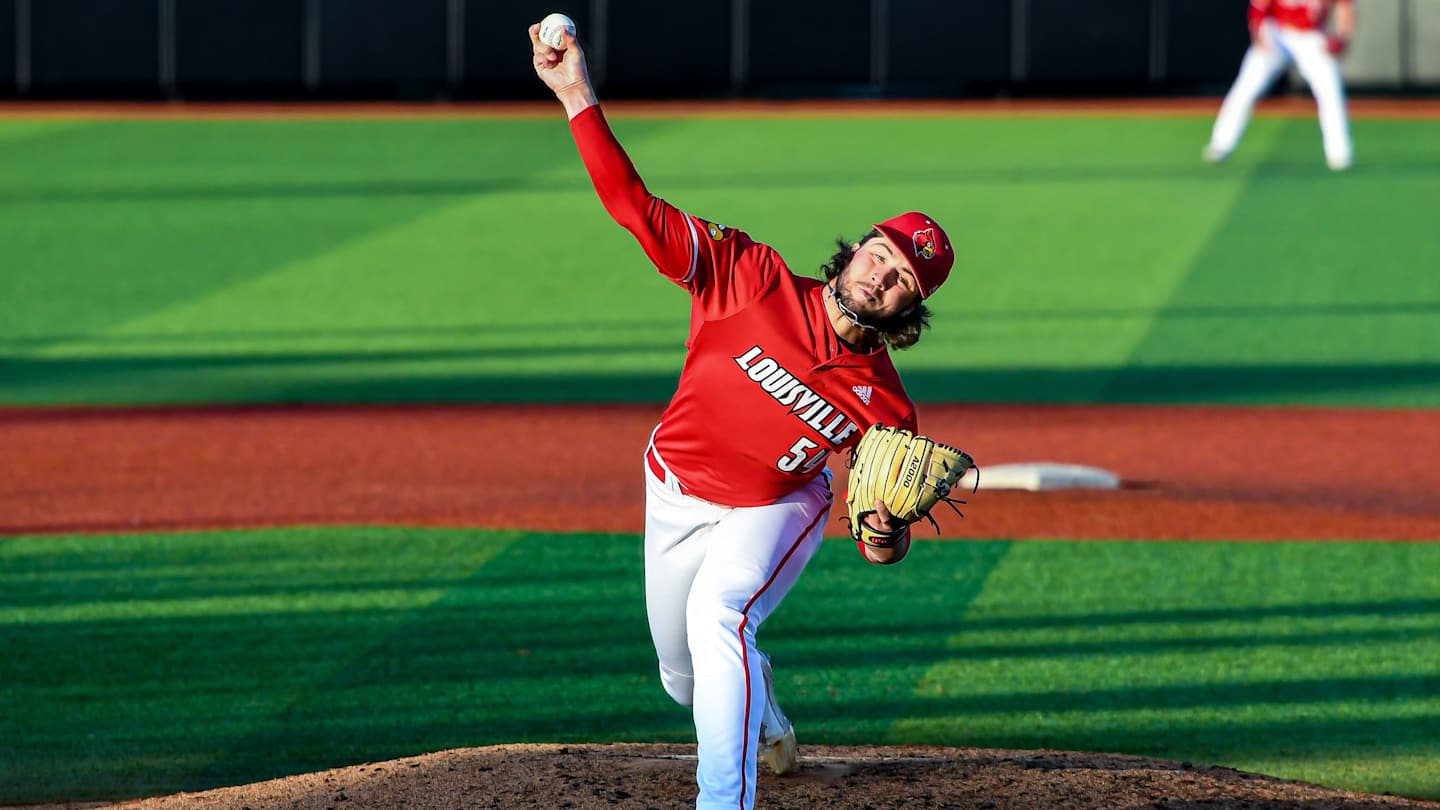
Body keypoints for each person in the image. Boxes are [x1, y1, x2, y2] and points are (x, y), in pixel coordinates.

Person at [528, 21, 957, 810]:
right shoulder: (747, 274)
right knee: (681, 678)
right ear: (857, 245)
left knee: (720, 611)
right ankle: (768, 723)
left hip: (774, 504)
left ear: (911, 309)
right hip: (673, 487)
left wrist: (886, 531)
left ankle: (722, 800)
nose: (882, 276)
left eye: (902, 279)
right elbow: (634, 206)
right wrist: (575, 94)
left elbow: (877, 545)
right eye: (880, 253)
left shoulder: (887, 405)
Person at [1204, 0, 1355, 171]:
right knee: (1246, 88)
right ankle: (1221, 144)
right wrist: (1258, 32)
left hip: (1310, 35)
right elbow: (1259, 6)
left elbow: (1345, 7)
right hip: (1276, 31)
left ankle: (1339, 153)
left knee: (1330, 91)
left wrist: (1343, 37)